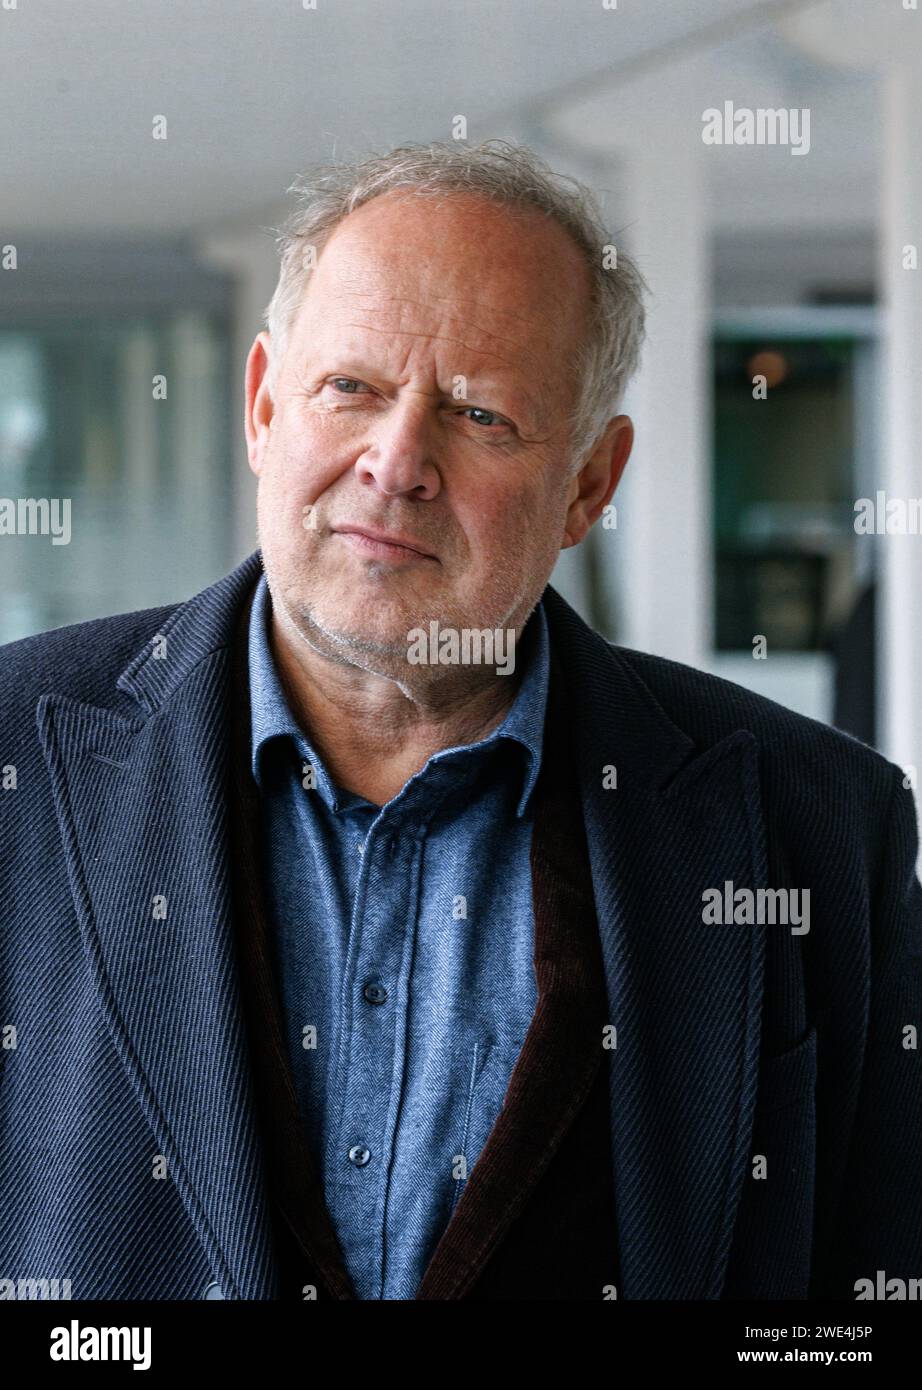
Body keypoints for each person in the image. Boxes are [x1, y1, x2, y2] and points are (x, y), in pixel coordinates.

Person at [1, 141, 920, 1301]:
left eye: (482, 415)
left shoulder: (820, 824)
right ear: (262, 404)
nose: (396, 463)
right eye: (351, 389)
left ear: (590, 482)